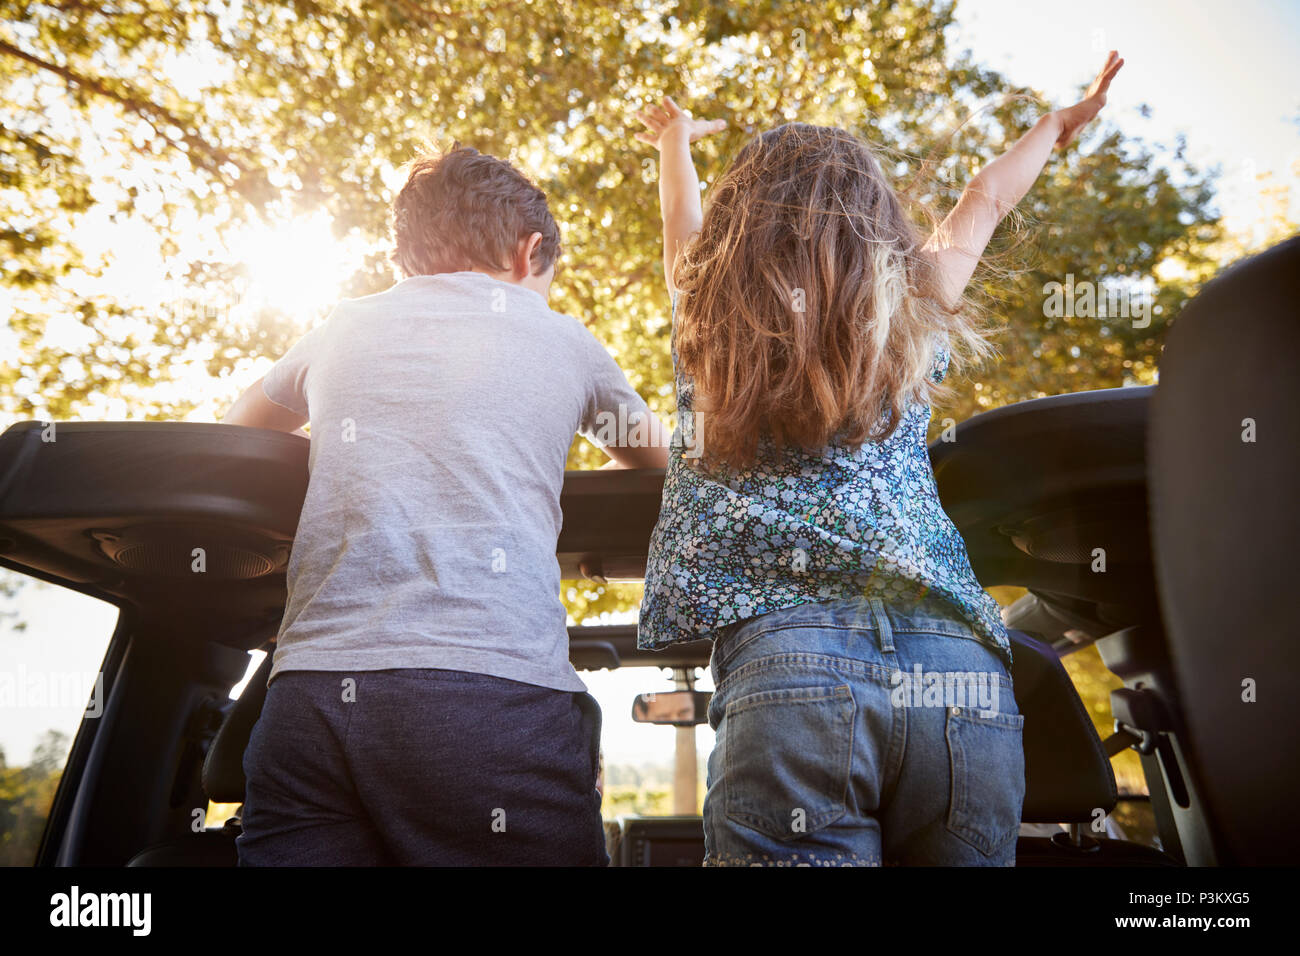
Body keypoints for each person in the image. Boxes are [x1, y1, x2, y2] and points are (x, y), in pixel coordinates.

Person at [634, 53, 1124, 865]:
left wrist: (674, 142)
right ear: (876, 218)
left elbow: (680, 217)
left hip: (791, 669)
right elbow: (989, 197)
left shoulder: (707, 315)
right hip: (960, 676)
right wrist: (1054, 126)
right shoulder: (915, 305)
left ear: (734, 230)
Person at [222, 146, 669, 865]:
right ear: (530, 255)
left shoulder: (341, 325)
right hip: (486, 698)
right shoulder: (564, 340)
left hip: (307, 699)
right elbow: (664, 466)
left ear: (404, 261)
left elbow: (229, 439)